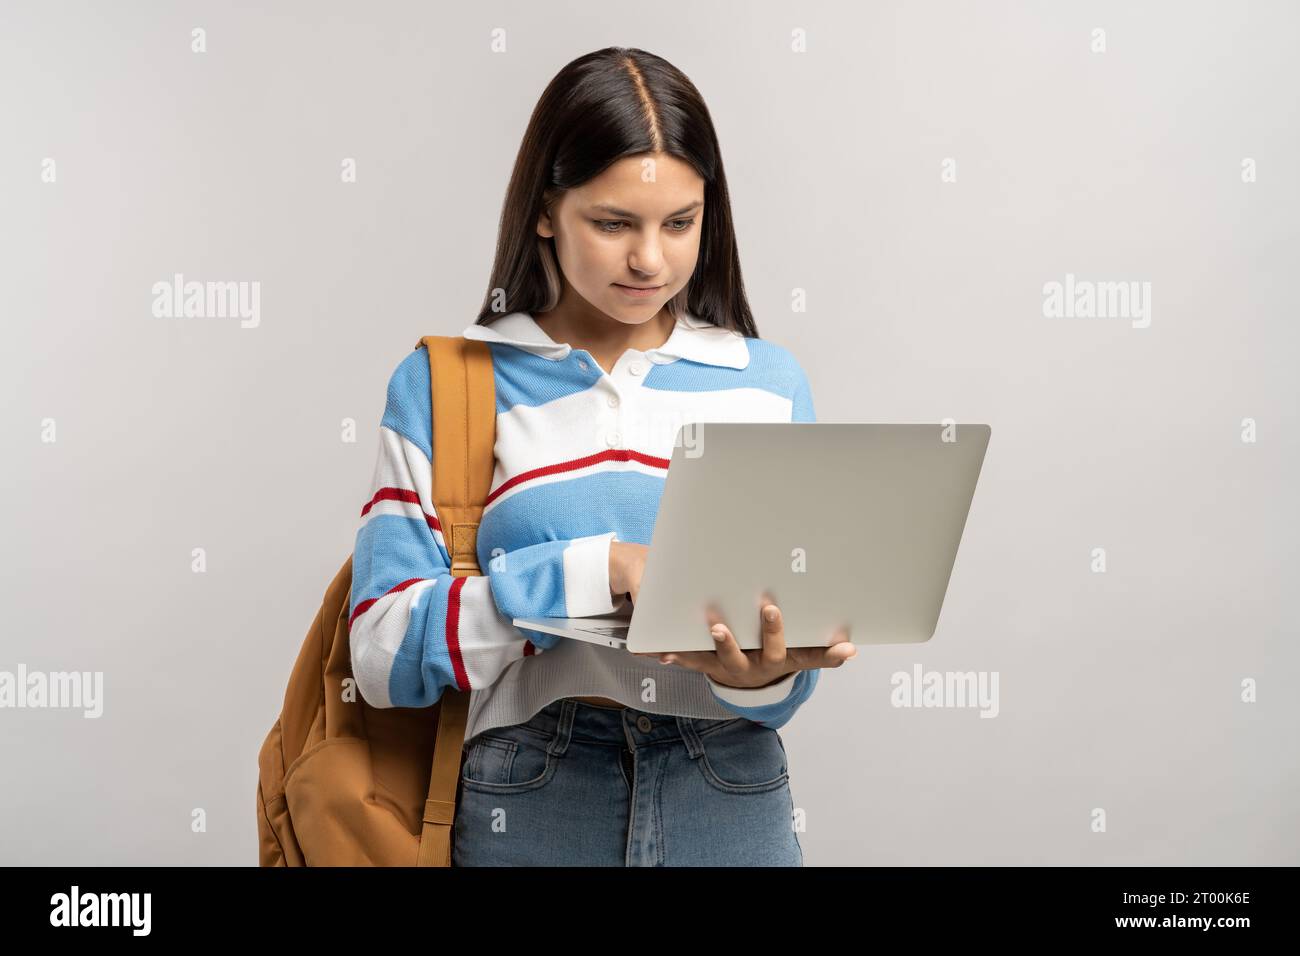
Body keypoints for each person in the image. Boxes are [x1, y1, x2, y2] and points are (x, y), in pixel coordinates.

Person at [348, 46, 856, 867]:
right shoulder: (449, 384)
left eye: (680, 223)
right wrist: (594, 572)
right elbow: (377, 652)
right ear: (546, 210)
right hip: (533, 789)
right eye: (613, 223)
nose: (649, 260)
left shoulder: (764, 383)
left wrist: (765, 673)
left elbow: (780, 682)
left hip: (729, 783)